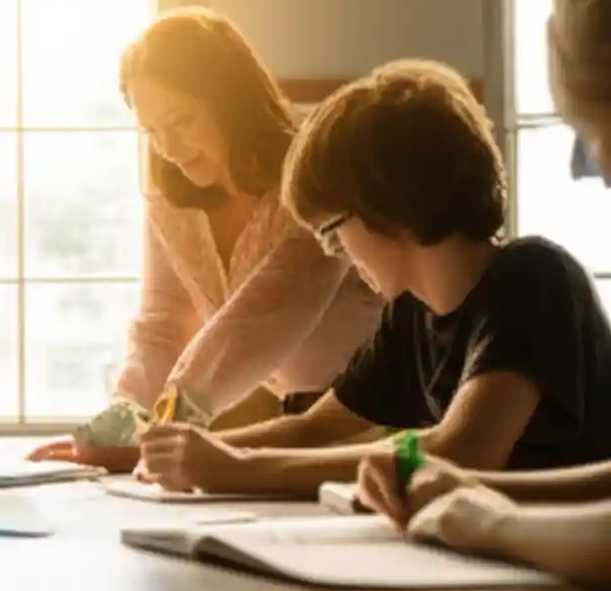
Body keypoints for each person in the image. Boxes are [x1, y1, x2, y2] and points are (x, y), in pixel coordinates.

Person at [138, 58, 611, 499]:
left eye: (332, 230)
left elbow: (460, 450)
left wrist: (235, 468)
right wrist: (171, 452)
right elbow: (313, 429)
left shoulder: (533, 278)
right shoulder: (411, 316)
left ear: (387, 203)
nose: (334, 250)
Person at [353, 0, 611, 589]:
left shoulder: (531, 276)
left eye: (593, 135)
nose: (594, 171)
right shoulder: (410, 313)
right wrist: (476, 490)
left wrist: (490, 522)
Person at [29, 7, 382, 467]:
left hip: (364, 419)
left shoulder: (313, 174)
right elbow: (164, 323)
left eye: (182, 122)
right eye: (152, 131)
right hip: (267, 415)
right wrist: (120, 419)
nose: (169, 150)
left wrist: (158, 429)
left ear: (231, 102)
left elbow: (266, 315)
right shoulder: (171, 201)